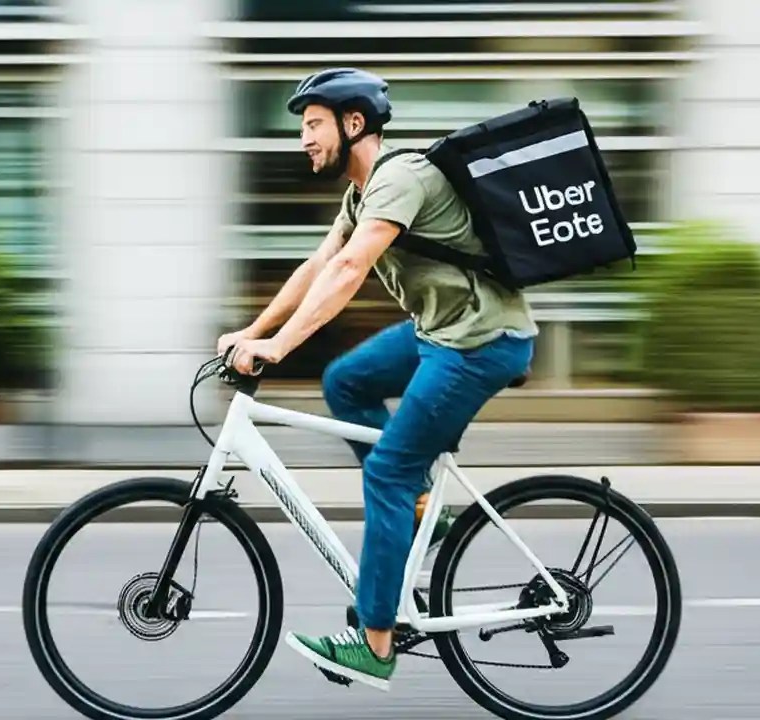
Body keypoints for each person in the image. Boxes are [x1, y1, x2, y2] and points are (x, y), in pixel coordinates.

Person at [218, 67, 538, 691]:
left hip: (480, 342)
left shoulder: (399, 177)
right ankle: (422, 510)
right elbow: (321, 264)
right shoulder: (359, 195)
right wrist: (253, 331)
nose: (304, 140)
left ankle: (375, 643)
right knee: (347, 381)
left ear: (353, 123)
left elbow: (350, 271)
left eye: (312, 126)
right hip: (440, 332)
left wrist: (279, 347)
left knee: (385, 472)